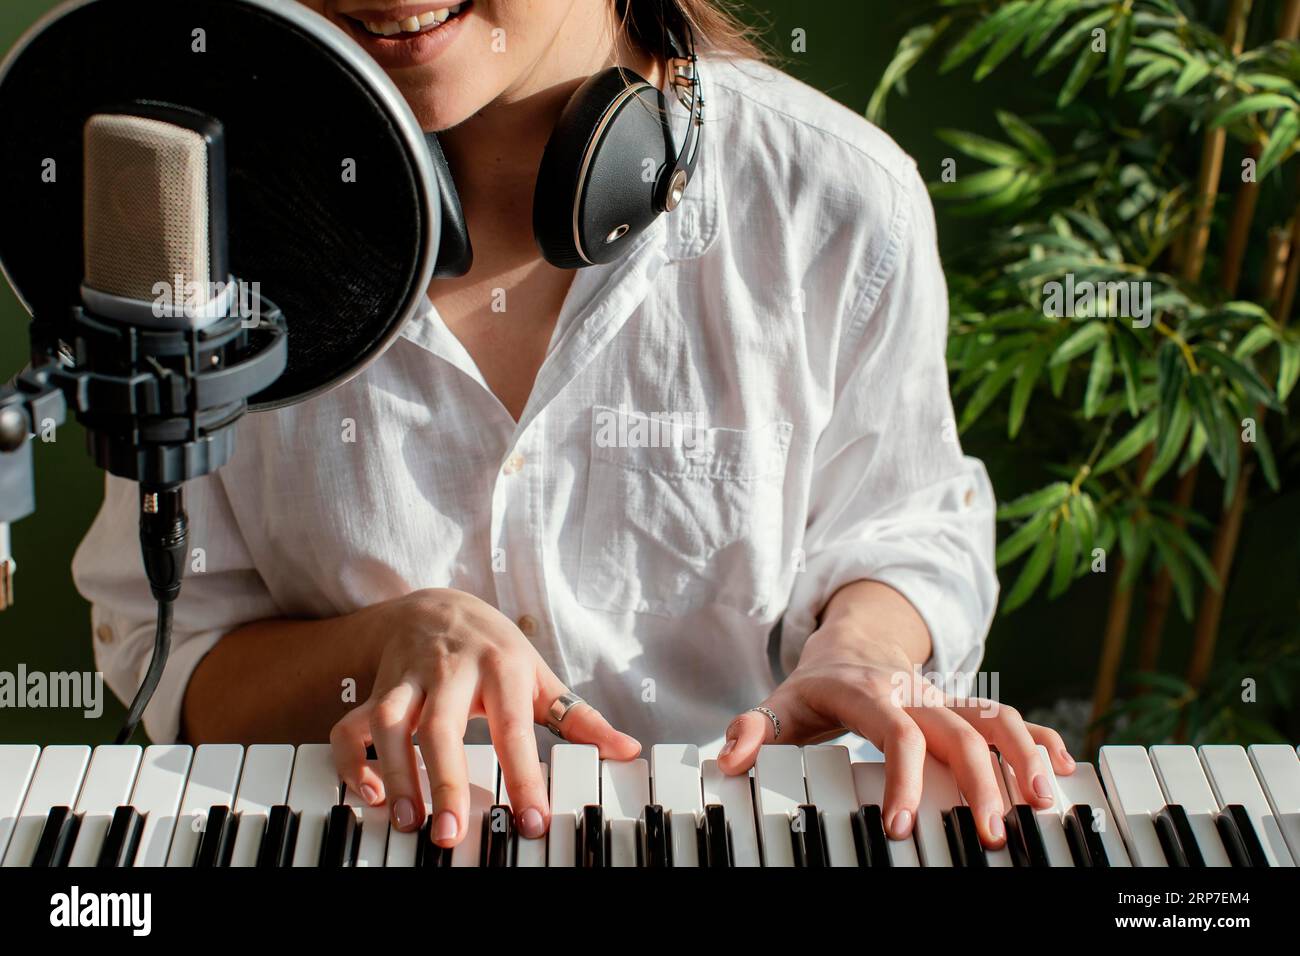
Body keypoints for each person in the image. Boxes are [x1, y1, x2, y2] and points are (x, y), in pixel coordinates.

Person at [74, 0, 1075, 853]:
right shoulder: (194, 216)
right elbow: (174, 653)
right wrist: (383, 641)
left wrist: (860, 651)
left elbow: (902, 529)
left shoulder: (837, 195)